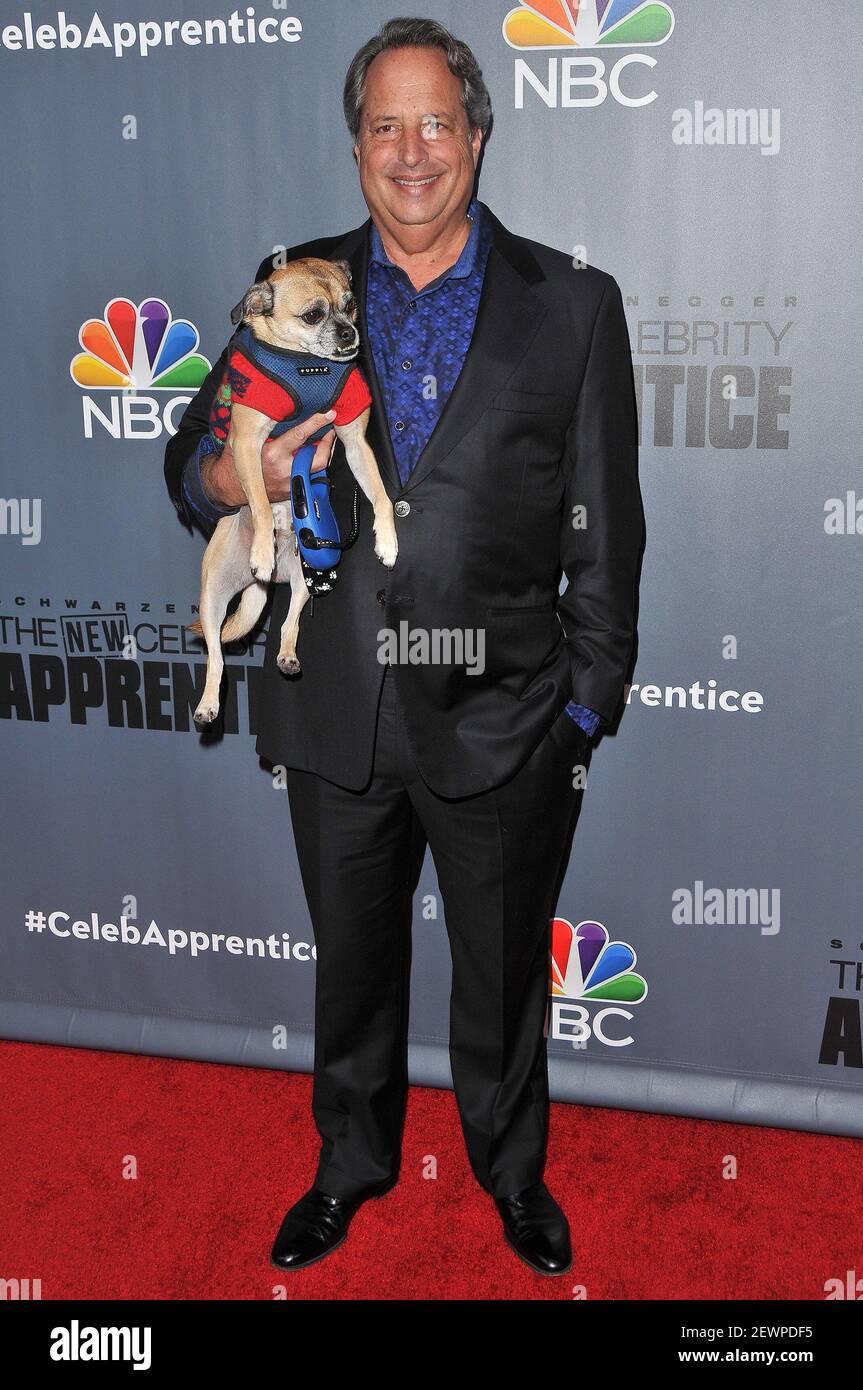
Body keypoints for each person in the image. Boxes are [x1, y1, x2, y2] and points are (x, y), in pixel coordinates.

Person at [164, 16, 644, 1277]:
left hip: (503, 715)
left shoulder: (573, 303)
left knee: (501, 981)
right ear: (356, 144)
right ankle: (349, 1164)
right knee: (352, 965)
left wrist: (582, 708)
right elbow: (193, 458)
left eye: (437, 121)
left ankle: (508, 1171)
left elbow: (607, 522)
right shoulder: (296, 285)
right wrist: (235, 465)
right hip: (332, 709)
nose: (412, 150)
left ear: (477, 136)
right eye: (386, 124)